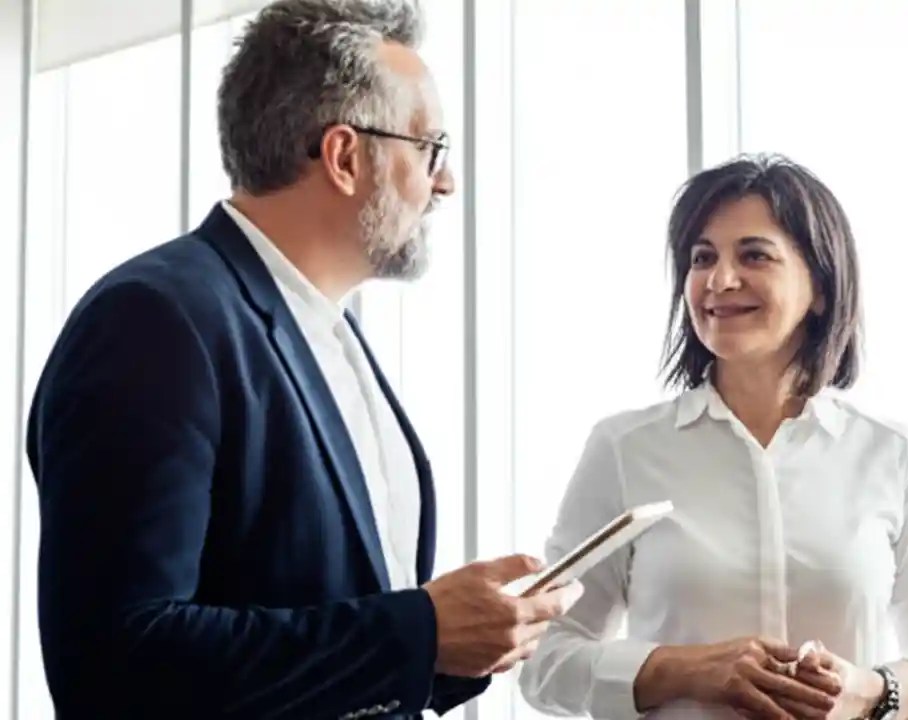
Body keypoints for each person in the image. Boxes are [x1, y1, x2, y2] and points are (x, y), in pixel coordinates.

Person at [25, 1, 578, 717]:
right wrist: (420, 630)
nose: (445, 183)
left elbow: (316, 603)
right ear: (346, 157)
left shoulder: (334, 334)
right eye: (431, 148)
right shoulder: (154, 320)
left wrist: (457, 645)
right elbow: (116, 660)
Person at [519, 154, 908, 719]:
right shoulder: (625, 449)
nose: (719, 280)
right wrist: (685, 669)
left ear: (820, 286)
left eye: (754, 255)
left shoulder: (889, 455)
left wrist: (869, 691)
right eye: (702, 258)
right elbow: (544, 660)